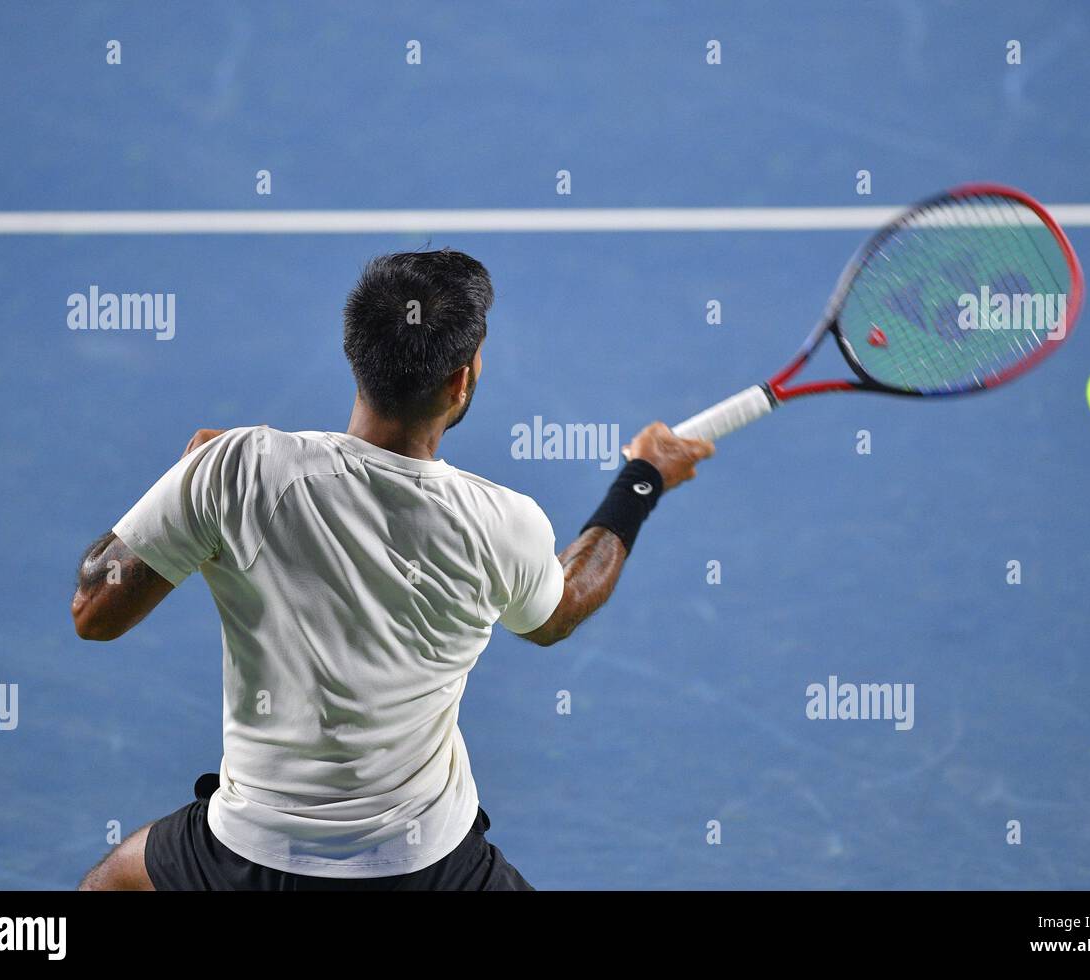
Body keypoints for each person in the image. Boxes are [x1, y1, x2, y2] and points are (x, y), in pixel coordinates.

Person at [71, 249, 713, 890]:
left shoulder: (239, 468)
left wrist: (186, 484)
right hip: (425, 867)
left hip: (249, 856)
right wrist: (642, 479)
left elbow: (95, 612)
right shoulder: (502, 523)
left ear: (355, 352)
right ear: (462, 381)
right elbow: (561, 609)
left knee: (108, 886)